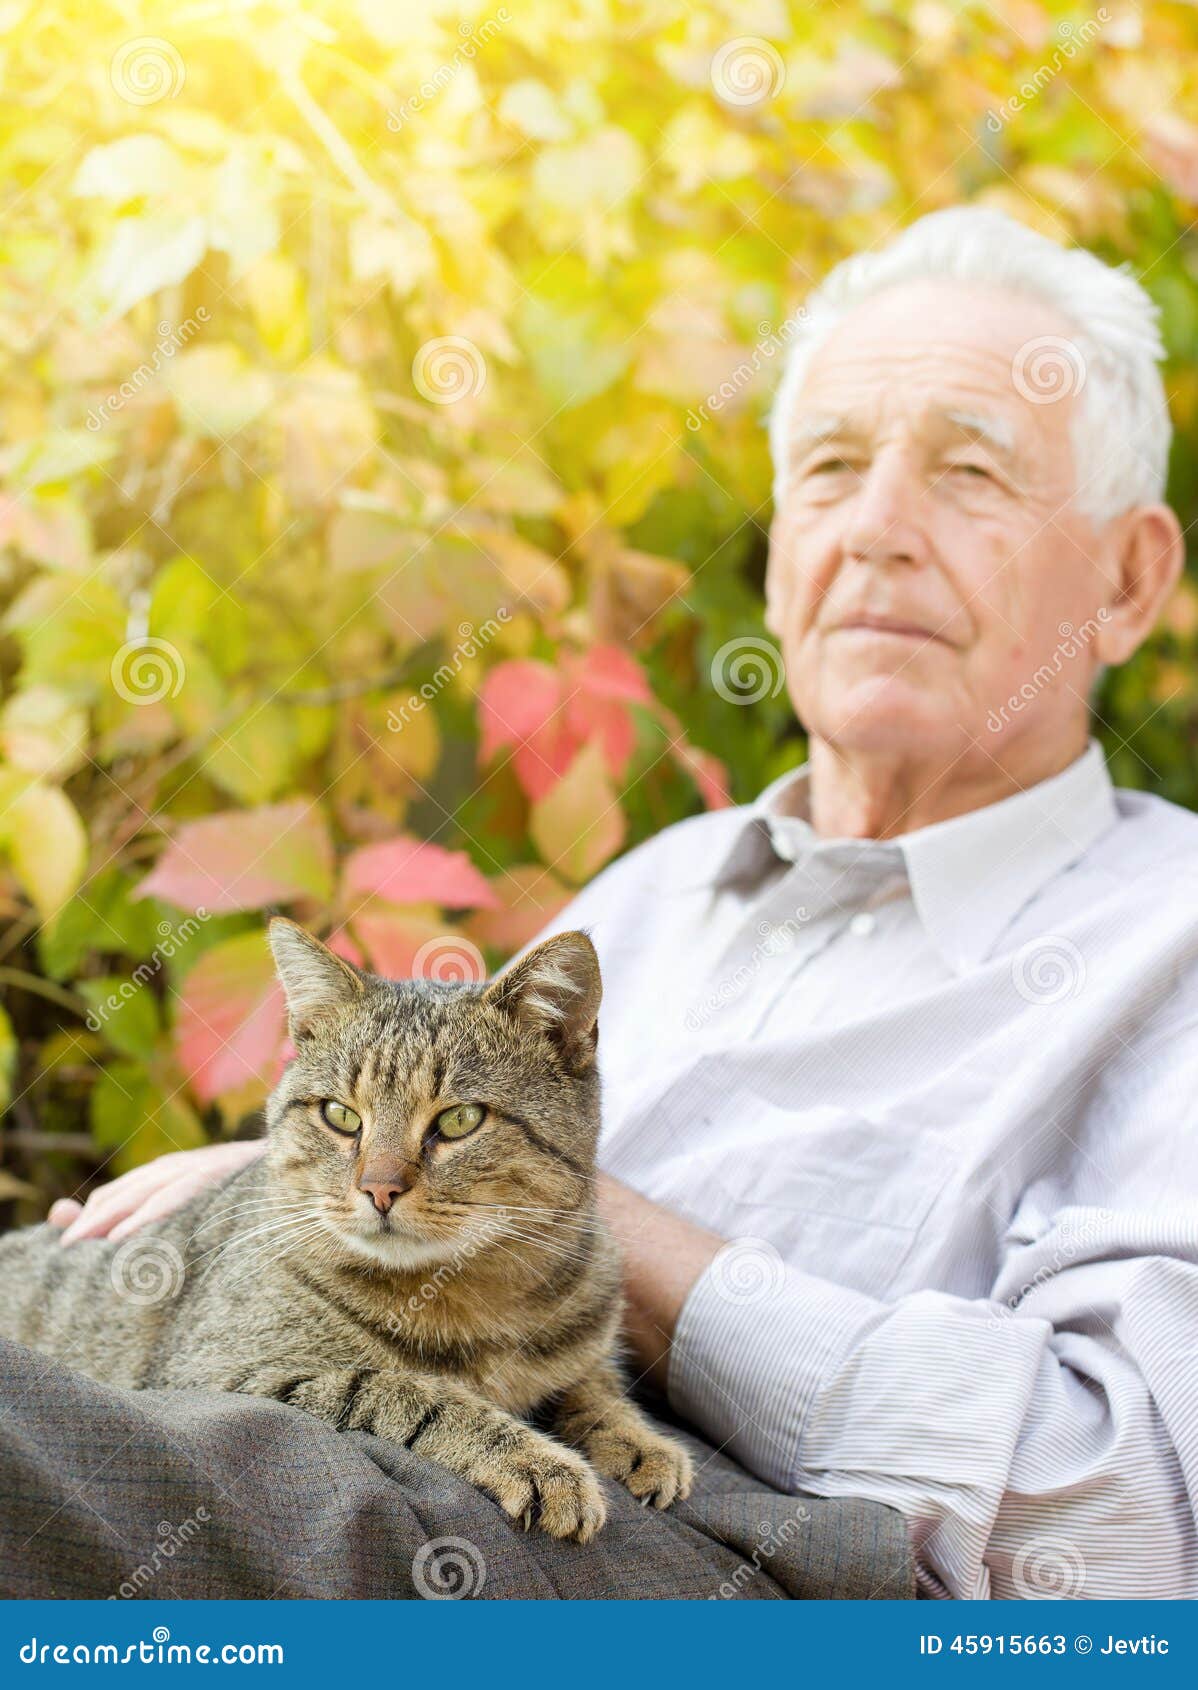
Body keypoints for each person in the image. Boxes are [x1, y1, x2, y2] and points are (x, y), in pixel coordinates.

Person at [52, 207, 1198, 1600]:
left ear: (1132, 578)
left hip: (705, 1568)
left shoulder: (1167, 938)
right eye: (829, 469)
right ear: (779, 555)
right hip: (361, 1453)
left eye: (967, 471)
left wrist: (615, 1232)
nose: (877, 529)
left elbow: (1131, 1534)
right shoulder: (656, 890)